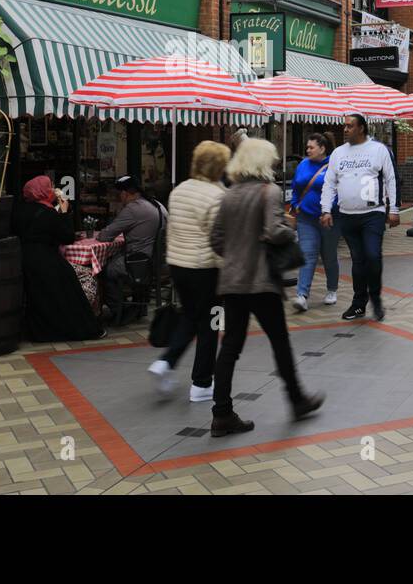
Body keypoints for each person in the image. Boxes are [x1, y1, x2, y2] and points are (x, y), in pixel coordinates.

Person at [209, 138, 325, 437]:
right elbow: (274, 231)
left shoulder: (228, 195)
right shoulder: (269, 191)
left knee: (230, 347)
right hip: (261, 281)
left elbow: (216, 240)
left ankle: (221, 413)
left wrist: (236, 253)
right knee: (280, 342)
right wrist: (289, 229)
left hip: (233, 281)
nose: (275, 165)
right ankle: (297, 400)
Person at [148, 141, 229, 401]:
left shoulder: (179, 190)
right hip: (206, 268)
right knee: (209, 324)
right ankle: (202, 384)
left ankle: (166, 361)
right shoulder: (218, 196)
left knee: (190, 316)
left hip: (178, 265)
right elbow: (220, 239)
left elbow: (172, 231)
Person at [320, 113, 399, 322]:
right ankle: (358, 304)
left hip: (373, 214)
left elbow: (391, 179)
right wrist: (326, 209)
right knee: (357, 261)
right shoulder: (338, 153)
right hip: (347, 215)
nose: (345, 130)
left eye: (350, 126)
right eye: (345, 126)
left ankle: (376, 298)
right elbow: (329, 183)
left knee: (372, 256)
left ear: (361, 128)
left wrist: (395, 209)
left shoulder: (378, 150)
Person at [12, 176, 105, 342]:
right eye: (50, 186)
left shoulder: (20, 210)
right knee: (80, 279)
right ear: (42, 191)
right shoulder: (49, 213)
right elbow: (67, 237)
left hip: (24, 260)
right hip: (46, 261)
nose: (53, 189)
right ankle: (87, 326)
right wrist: (63, 211)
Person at [98, 175, 167, 325]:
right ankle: (137, 307)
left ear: (124, 193)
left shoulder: (133, 209)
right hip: (156, 262)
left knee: (104, 269)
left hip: (137, 264)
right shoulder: (157, 205)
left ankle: (119, 311)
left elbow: (105, 236)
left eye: (118, 195)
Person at [289, 132, 341, 311]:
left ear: (322, 148)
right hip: (306, 219)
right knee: (307, 255)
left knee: (329, 256)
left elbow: (338, 192)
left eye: (311, 147)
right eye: (307, 147)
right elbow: (296, 187)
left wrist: (329, 210)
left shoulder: (333, 166)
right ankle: (302, 295)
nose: (307, 150)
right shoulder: (303, 164)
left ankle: (332, 289)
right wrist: (295, 204)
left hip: (329, 219)